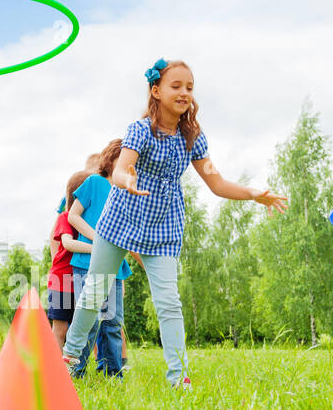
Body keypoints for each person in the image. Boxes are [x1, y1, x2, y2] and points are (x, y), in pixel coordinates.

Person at [62, 58, 288, 388]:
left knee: (169, 302)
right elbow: (123, 168)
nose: (185, 93)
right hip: (121, 218)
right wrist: (125, 180)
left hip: (162, 228)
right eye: (176, 86)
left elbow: (217, 183)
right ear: (156, 90)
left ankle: (178, 377)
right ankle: (69, 357)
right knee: (95, 292)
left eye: (190, 87)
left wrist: (254, 193)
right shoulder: (140, 131)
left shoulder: (192, 137)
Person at [68, 139, 134, 377]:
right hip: (87, 264)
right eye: (125, 158)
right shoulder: (94, 183)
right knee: (90, 320)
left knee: (113, 322)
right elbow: (73, 216)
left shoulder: (126, 192)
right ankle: (75, 371)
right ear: (112, 158)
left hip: (115, 267)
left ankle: (112, 373)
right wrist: (98, 239)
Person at [46, 171, 92, 350]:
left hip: (80, 281)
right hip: (62, 281)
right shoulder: (65, 217)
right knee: (60, 329)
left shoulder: (90, 222)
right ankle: (54, 367)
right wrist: (96, 249)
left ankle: (73, 367)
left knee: (79, 328)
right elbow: (67, 243)